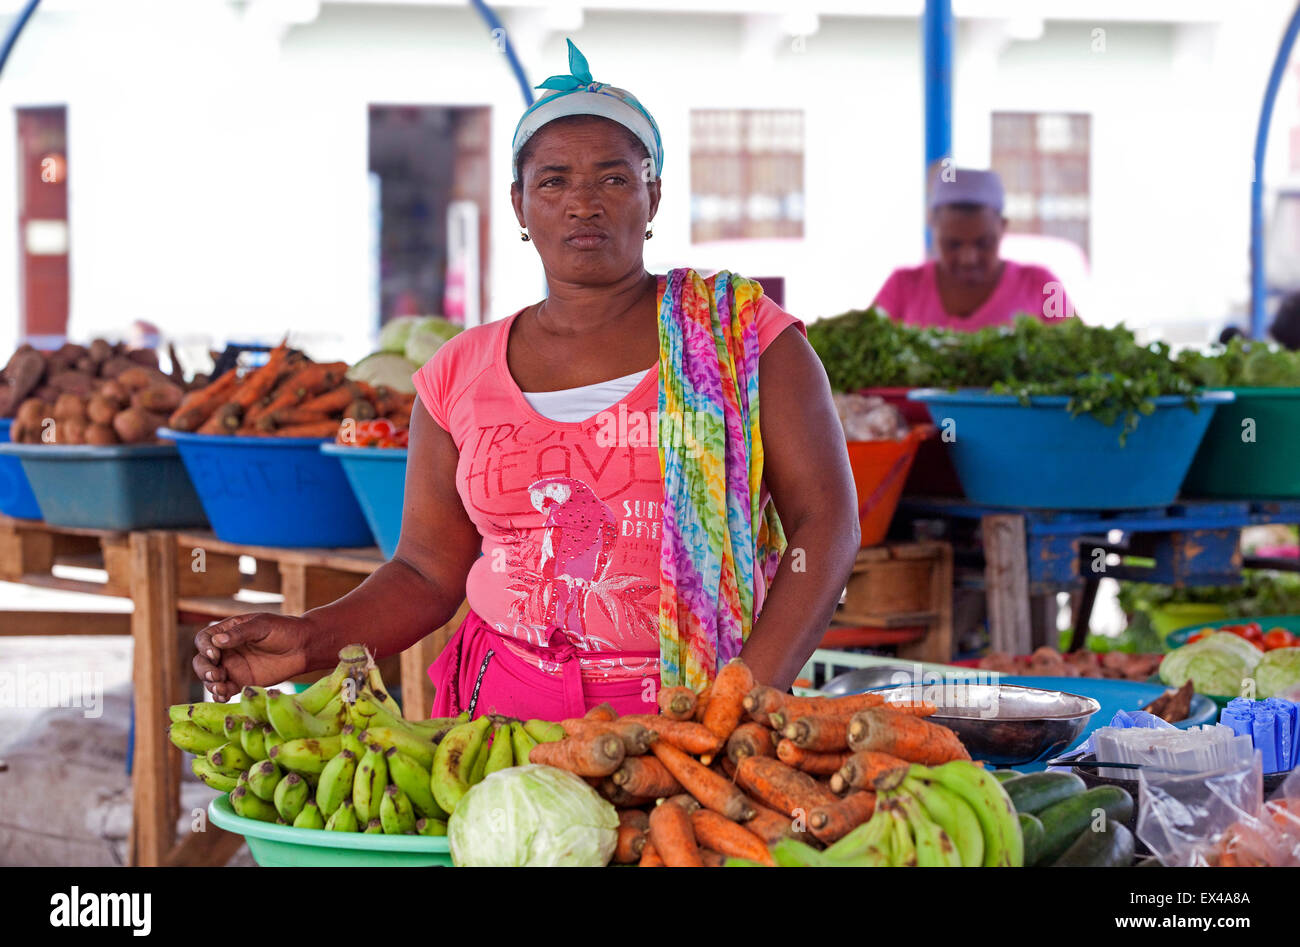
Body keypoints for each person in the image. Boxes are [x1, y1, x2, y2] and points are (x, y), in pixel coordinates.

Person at [191, 41, 859, 720]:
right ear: (518, 204)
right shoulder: (457, 373)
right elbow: (426, 574)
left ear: (652, 194)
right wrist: (310, 640)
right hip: (504, 711)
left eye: (614, 179)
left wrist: (745, 695)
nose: (583, 204)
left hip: (694, 713)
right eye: (553, 181)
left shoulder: (740, 339)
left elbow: (825, 523)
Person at [873, 168, 1073, 330]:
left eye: (984, 243)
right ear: (933, 229)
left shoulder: (1044, 285)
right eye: (953, 244)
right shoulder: (901, 286)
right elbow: (864, 346)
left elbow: (1077, 345)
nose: (968, 258)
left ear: (1002, 227)